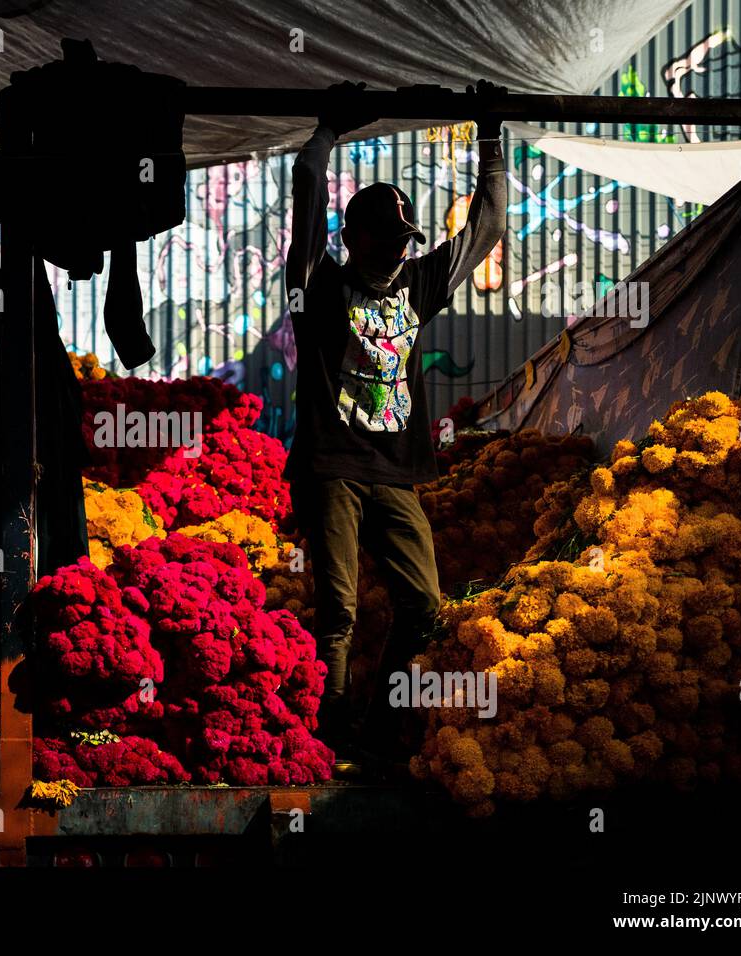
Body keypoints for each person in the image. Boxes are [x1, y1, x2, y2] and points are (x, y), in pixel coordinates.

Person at [284, 80, 507, 779]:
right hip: (333, 466)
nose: (396, 252)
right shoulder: (317, 285)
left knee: (424, 604)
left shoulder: (418, 282)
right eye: (384, 240)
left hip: (398, 472)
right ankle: (332, 730)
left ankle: (376, 723)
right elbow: (306, 192)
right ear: (355, 239)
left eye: (405, 241)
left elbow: (485, 228)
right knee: (337, 609)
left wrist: (491, 138)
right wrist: (326, 132)